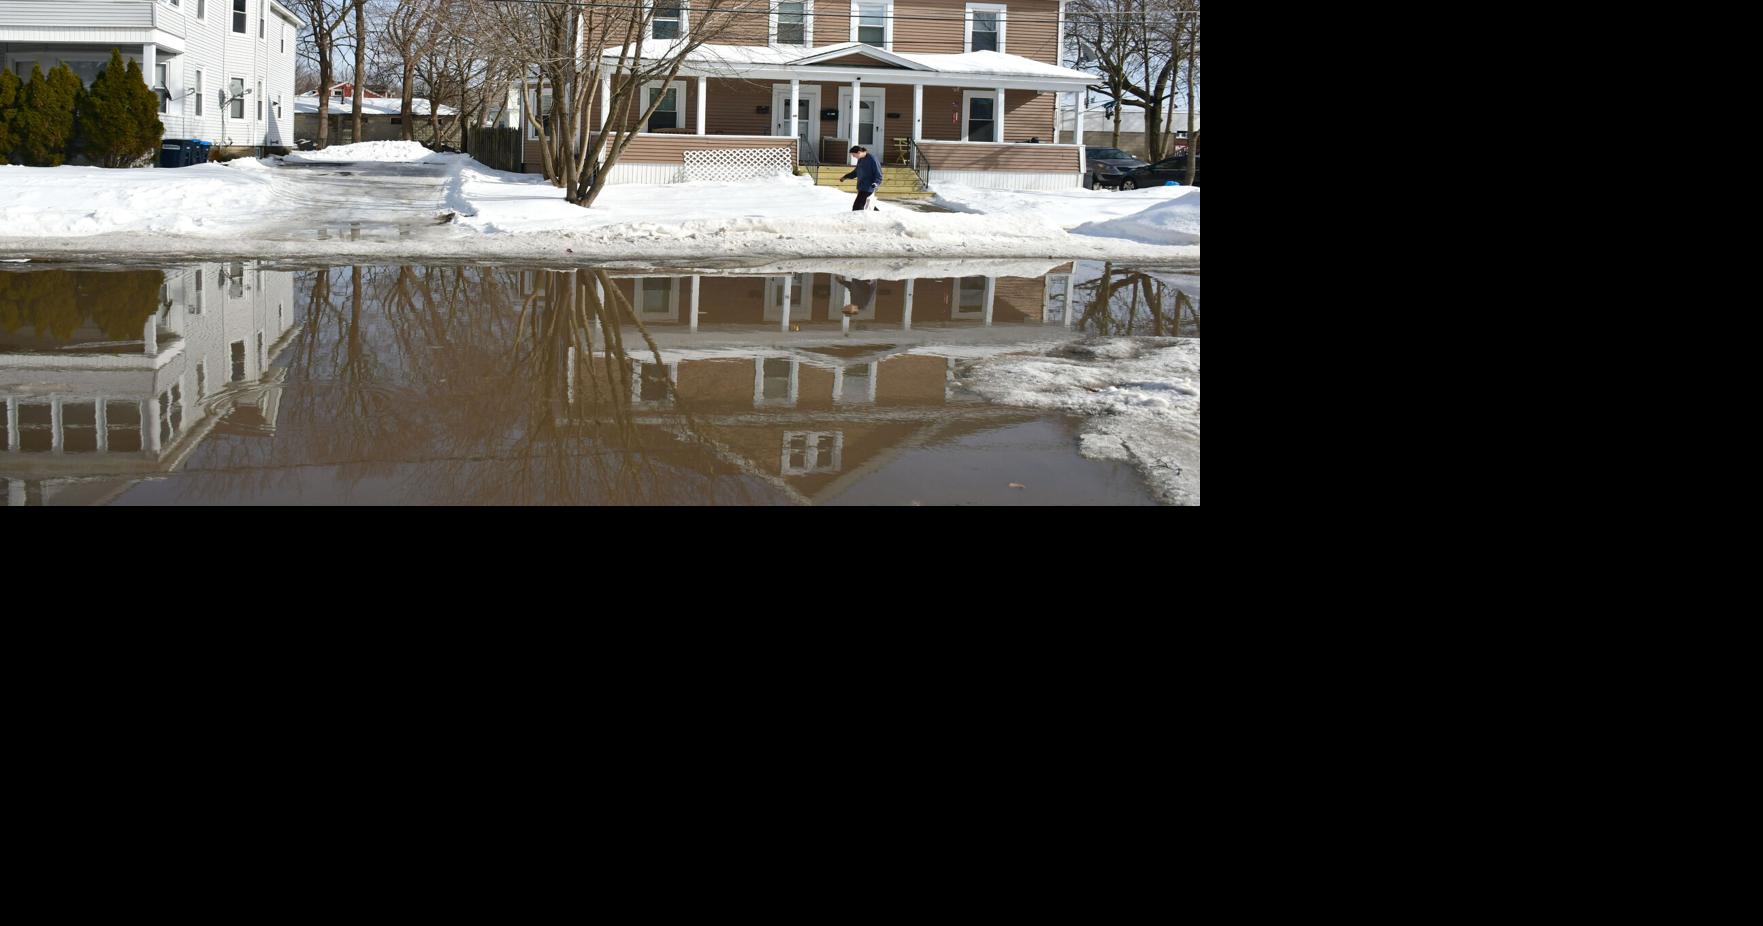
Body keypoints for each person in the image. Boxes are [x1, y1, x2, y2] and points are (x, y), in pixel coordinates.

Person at [842, 145, 883, 211]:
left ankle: (857, 217)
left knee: (857, 207)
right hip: (861, 186)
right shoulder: (860, 159)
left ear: (859, 152)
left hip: (869, 187)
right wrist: (846, 176)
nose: (853, 156)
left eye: (853, 155)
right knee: (869, 205)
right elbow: (856, 172)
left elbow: (879, 174)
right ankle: (879, 214)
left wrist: (876, 183)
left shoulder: (872, 159)